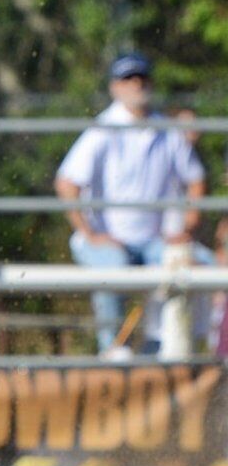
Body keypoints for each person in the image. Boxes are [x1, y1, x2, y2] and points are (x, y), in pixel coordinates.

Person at [55, 54, 214, 356]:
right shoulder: (102, 129)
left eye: (142, 77)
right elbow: (66, 182)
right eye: (129, 79)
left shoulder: (167, 130)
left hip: (152, 242)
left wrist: (188, 226)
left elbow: (196, 179)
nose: (137, 85)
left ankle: (170, 350)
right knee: (114, 266)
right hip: (109, 241)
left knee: (200, 263)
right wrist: (89, 233)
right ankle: (114, 349)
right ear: (115, 87)